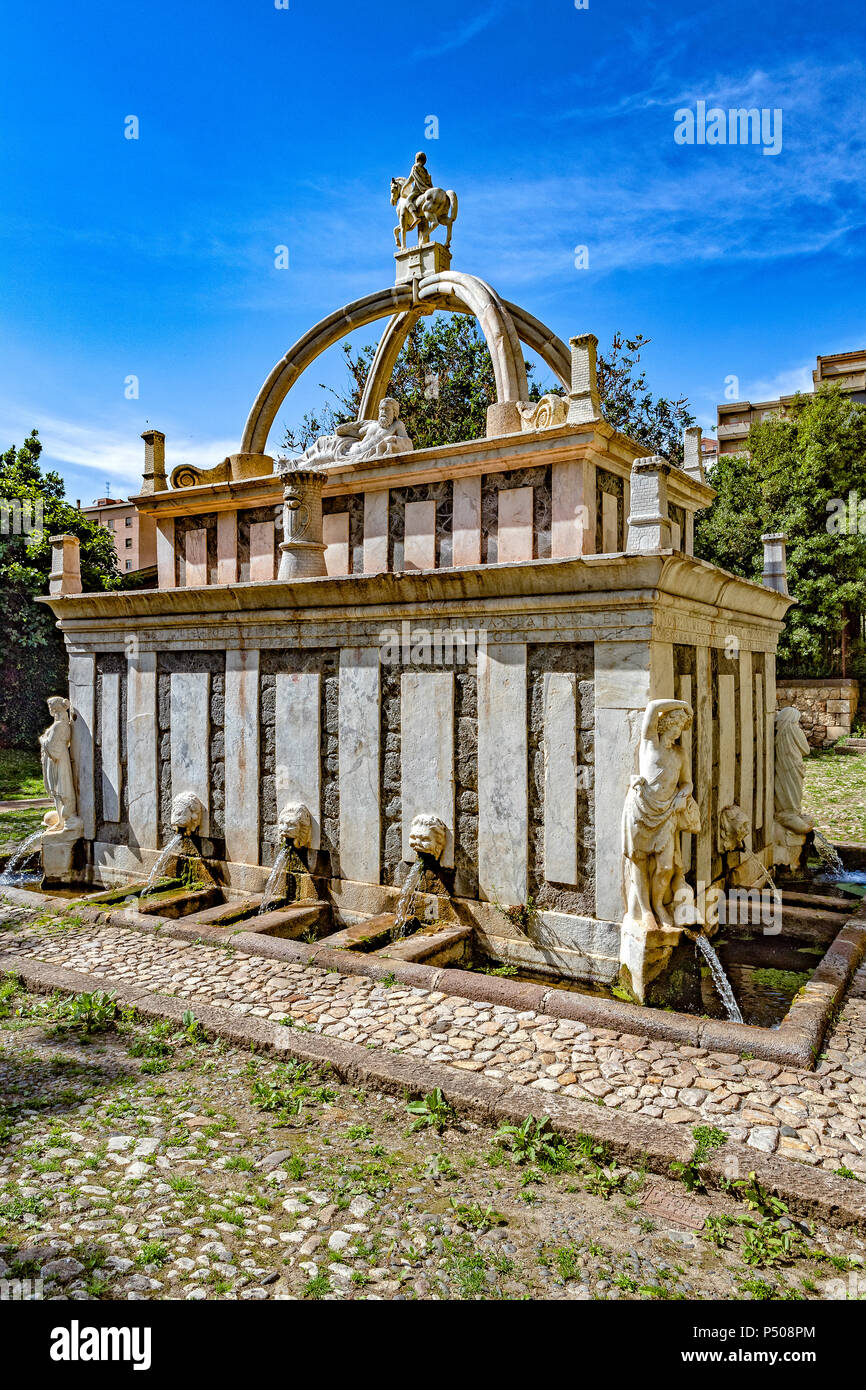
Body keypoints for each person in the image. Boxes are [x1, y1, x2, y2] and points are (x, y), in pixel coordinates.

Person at [622, 698, 699, 930]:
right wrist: (683, 706)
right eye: (674, 726)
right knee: (639, 861)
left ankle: (658, 905)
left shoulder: (680, 753)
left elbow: (687, 783)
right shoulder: (650, 743)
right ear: (664, 725)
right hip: (641, 808)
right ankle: (645, 911)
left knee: (665, 867)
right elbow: (653, 708)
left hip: (666, 813)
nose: (677, 732)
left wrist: (682, 796)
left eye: (680, 728)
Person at [278, 397, 412, 471]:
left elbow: (407, 445)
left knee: (317, 459)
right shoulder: (371, 424)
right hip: (347, 446)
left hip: (355, 455)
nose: (383, 412)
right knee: (322, 441)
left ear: (394, 412)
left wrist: (390, 441)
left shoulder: (397, 425)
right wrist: (357, 425)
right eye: (381, 409)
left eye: (387, 409)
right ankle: (292, 464)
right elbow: (339, 431)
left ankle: (291, 468)